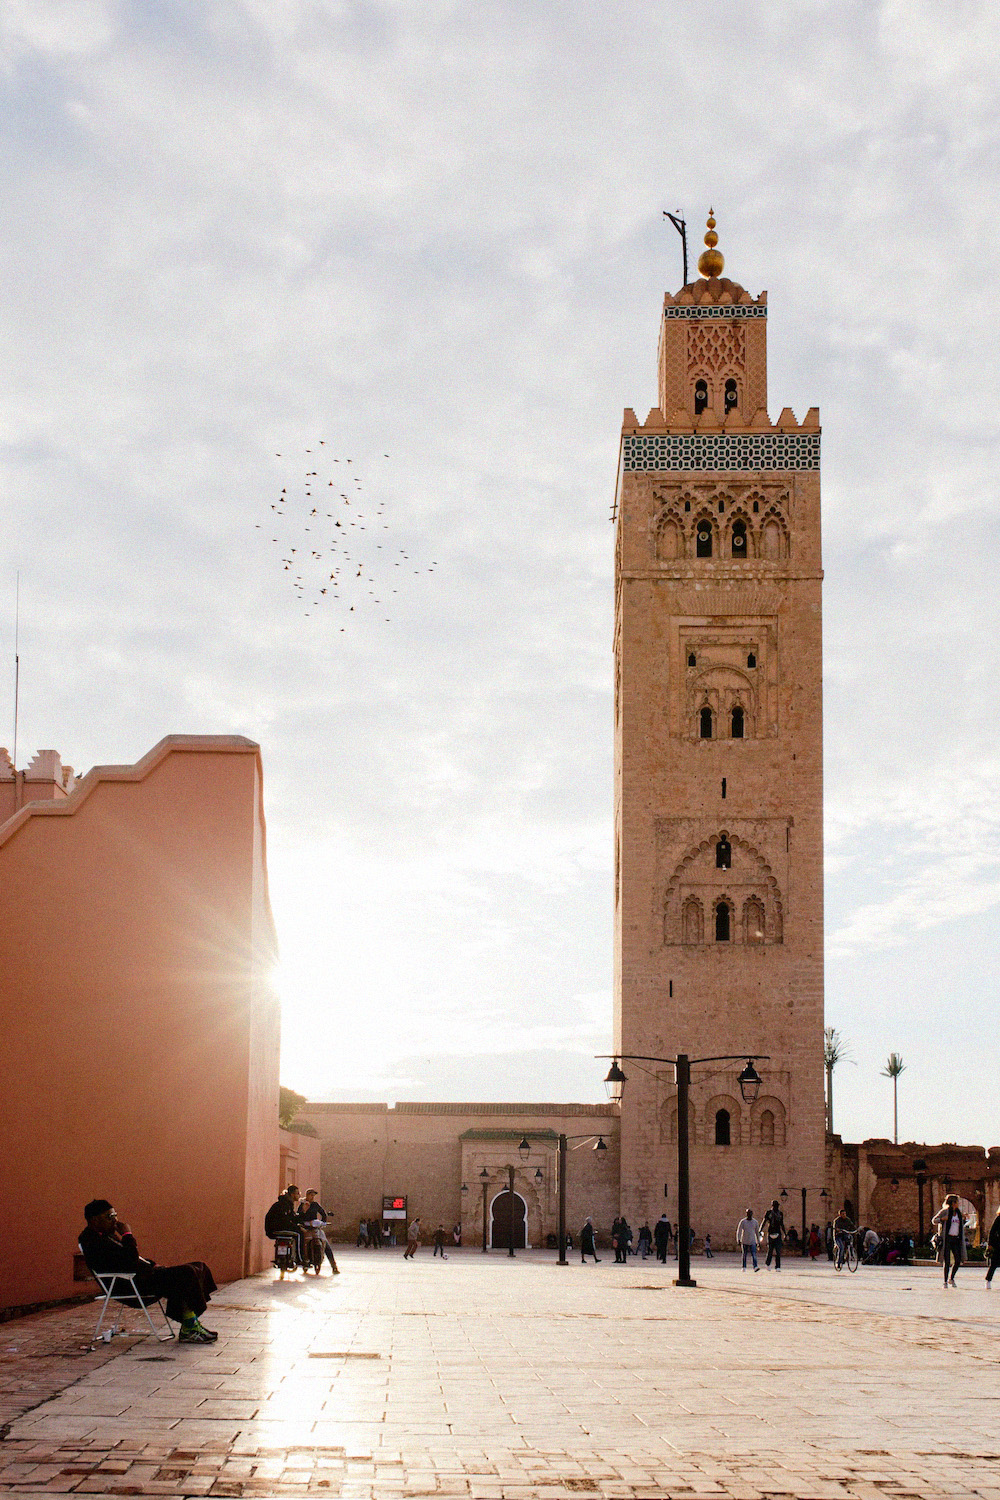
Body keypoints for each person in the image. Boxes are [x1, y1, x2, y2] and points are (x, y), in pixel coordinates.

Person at [79, 1200, 218, 1344]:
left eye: (115, 1215)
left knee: (199, 1267)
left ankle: (190, 1323)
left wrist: (152, 1264)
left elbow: (132, 1258)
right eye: (109, 1217)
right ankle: (189, 1327)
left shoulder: (107, 1235)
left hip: (143, 1277)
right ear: (94, 1220)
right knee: (186, 1273)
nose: (115, 1220)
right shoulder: (92, 1241)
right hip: (130, 1284)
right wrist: (127, 1234)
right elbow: (129, 1260)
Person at [298, 1190, 339, 1274]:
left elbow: (323, 1213)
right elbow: (298, 1215)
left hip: (316, 1228)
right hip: (306, 1229)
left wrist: (323, 1222)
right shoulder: (303, 1205)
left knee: (326, 1245)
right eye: (311, 1195)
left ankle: (334, 1266)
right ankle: (304, 1261)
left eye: (313, 1195)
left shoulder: (315, 1205)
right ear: (307, 1195)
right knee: (302, 1243)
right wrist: (303, 1213)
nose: (312, 1197)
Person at [265, 1185, 304, 1269]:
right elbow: (285, 1220)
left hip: (271, 1230)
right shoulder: (286, 1204)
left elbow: (291, 1218)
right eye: (298, 1193)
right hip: (278, 1228)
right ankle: (300, 1259)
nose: (299, 1196)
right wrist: (298, 1225)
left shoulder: (284, 1203)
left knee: (296, 1231)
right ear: (293, 1194)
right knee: (299, 1233)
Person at [931, 1194, 967, 1286]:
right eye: (957, 1202)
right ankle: (945, 1281)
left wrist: (964, 1217)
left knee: (958, 1260)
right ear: (953, 1203)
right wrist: (942, 1219)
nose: (958, 1204)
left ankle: (952, 1278)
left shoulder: (958, 1213)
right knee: (946, 1261)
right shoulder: (945, 1211)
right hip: (947, 1238)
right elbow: (934, 1220)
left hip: (956, 1239)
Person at [761, 1199, 785, 1270]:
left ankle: (778, 1266)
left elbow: (781, 1224)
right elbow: (764, 1221)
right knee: (770, 1250)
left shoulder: (780, 1214)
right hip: (770, 1233)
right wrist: (760, 1230)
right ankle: (767, 1264)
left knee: (778, 1251)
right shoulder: (768, 1213)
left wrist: (785, 1233)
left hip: (778, 1233)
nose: (776, 1207)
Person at [986, 1208, 1000, 1288]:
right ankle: (988, 1280)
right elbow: (992, 1231)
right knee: (994, 1264)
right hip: (998, 1245)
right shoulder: (999, 1218)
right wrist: (990, 1244)